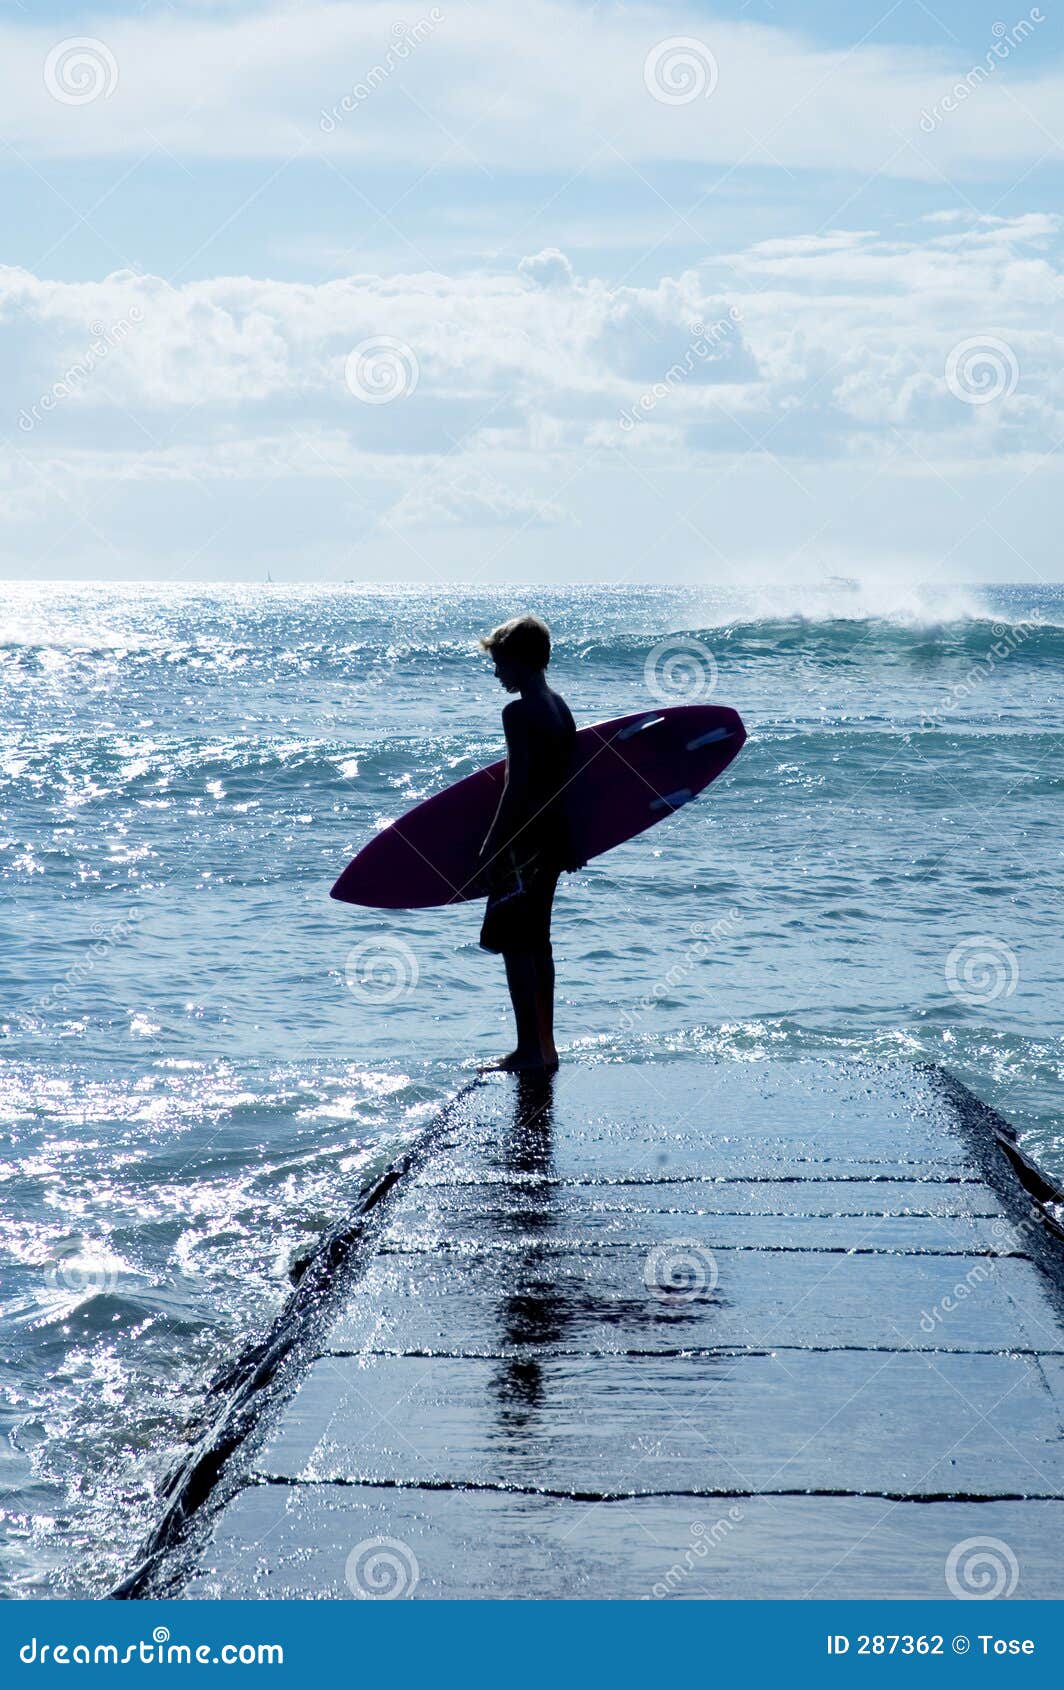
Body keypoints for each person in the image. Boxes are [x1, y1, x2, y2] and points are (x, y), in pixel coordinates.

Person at [477, 615, 578, 1074]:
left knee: (517, 945)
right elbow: (568, 783)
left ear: (521, 660)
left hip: (522, 842)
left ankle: (527, 1051)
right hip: (552, 839)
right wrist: (573, 839)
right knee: (539, 944)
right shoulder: (559, 706)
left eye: (501, 664)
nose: (498, 674)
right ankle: (545, 1047)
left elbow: (515, 788)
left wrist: (492, 843)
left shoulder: (517, 713)